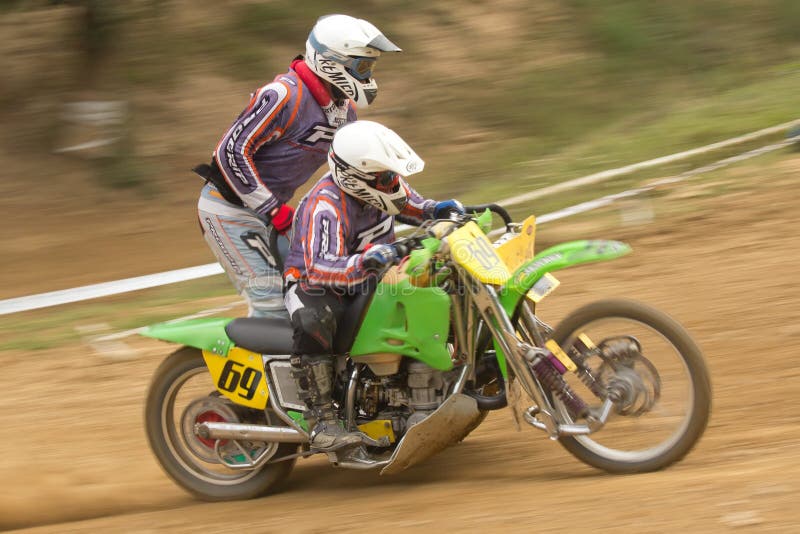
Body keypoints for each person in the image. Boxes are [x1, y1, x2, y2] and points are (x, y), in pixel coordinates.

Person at [195, 14, 402, 318]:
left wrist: (401, 205)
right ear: (332, 60)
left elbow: (354, 170)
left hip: (275, 213)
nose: (367, 75)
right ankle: (266, 364)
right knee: (273, 303)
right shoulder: (283, 95)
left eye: (370, 67)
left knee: (322, 288)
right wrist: (273, 210)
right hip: (229, 210)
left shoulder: (345, 112)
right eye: (362, 66)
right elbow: (230, 152)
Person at [283, 120, 464, 451]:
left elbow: (410, 204)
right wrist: (368, 259)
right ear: (355, 177)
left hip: (371, 274)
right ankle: (322, 420)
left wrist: (437, 210)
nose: (393, 183)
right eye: (385, 178)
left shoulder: (379, 186)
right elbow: (319, 267)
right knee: (314, 320)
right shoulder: (324, 205)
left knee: (436, 281)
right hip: (317, 284)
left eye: (392, 175)